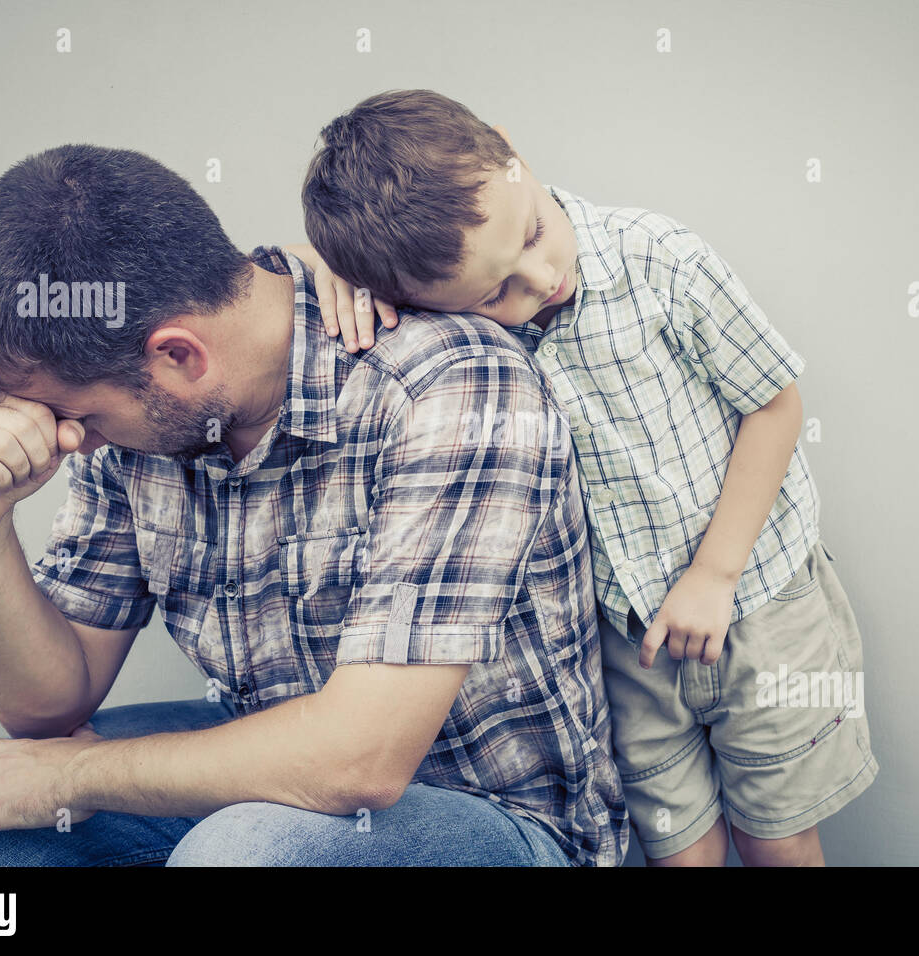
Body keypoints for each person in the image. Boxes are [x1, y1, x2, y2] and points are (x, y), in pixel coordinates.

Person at [0, 144, 627, 867]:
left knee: (246, 852)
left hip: (496, 818)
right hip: (261, 769)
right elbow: (47, 707)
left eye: (84, 418)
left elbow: (358, 763)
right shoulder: (131, 426)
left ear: (177, 357)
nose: (69, 442)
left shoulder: (452, 385)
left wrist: (73, 778)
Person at [295, 89, 879, 866]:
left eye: (532, 232)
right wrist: (318, 266)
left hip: (761, 605)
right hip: (626, 637)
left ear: (512, 153)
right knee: (678, 846)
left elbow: (774, 407)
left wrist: (715, 574)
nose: (540, 279)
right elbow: (269, 279)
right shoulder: (450, 331)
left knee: (777, 839)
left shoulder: (659, 257)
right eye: (495, 292)